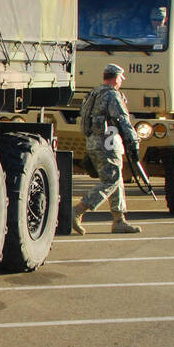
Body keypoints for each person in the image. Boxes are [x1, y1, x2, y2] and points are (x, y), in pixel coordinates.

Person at [72, 63, 142, 234]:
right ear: (116, 78)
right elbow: (123, 120)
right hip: (108, 143)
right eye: (121, 78)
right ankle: (77, 211)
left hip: (94, 142)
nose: (121, 81)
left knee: (116, 180)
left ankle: (119, 220)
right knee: (111, 180)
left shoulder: (94, 93)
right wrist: (134, 142)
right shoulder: (112, 95)